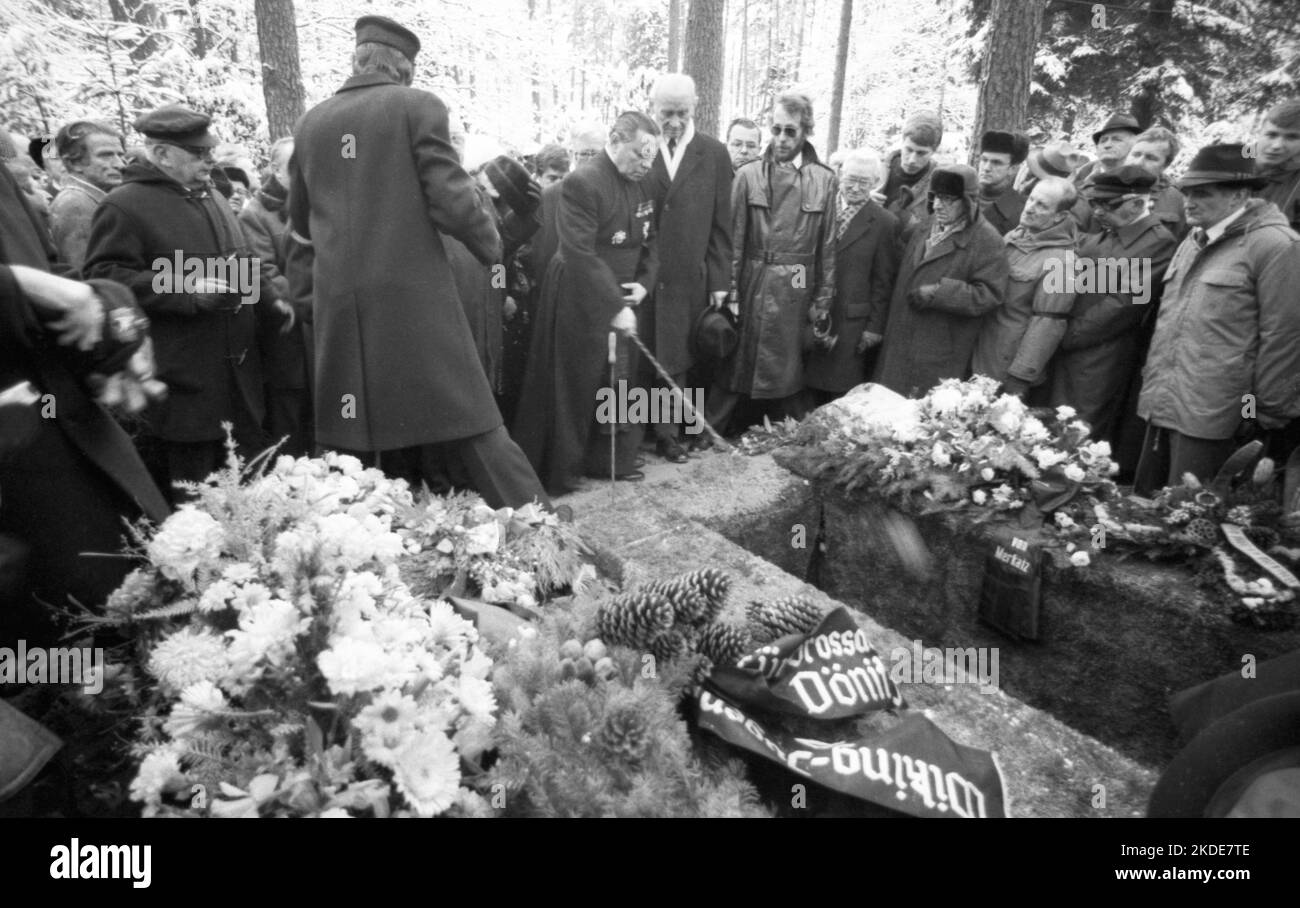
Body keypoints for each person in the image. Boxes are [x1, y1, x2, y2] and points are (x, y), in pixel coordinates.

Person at [291, 16, 548, 511]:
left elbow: (301, 221)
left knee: (351, 438)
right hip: (414, 303)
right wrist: (492, 246)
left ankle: (343, 546)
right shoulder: (417, 106)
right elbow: (452, 203)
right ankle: (543, 531)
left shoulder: (310, 123)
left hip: (343, 309)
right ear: (404, 68)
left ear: (357, 60)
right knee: (474, 419)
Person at [82, 104, 291, 501]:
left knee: (254, 498)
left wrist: (272, 305)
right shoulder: (124, 205)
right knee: (195, 503)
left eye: (209, 150)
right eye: (197, 153)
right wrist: (184, 288)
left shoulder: (210, 193)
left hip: (239, 382)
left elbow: (241, 260)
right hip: (185, 384)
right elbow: (104, 276)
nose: (209, 158)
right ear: (162, 155)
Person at [1, 160, 168, 646]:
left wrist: (112, 317)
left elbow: (58, 277)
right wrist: (19, 287)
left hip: (80, 450)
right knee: (62, 667)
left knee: (142, 639)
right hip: (21, 502)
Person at [1135, 143, 1300, 494]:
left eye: (1203, 193)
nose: (1189, 202)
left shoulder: (1276, 245)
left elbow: (1284, 336)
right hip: (1164, 403)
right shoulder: (1192, 241)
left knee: (1194, 521)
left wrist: (1256, 413)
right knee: (1148, 514)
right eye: (1187, 192)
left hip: (1217, 415)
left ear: (1239, 194)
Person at [513, 111, 659, 493]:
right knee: (577, 382)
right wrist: (615, 304)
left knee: (619, 380)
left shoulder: (643, 183)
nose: (646, 164)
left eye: (651, 157)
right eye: (639, 154)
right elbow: (579, 252)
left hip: (624, 291)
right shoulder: (583, 182)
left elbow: (650, 241)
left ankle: (610, 459)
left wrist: (644, 284)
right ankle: (562, 470)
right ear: (615, 139)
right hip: (580, 292)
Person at [708, 93, 837, 432]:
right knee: (739, 357)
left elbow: (826, 248)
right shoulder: (749, 175)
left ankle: (797, 430)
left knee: (787, 356)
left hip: (796, 274)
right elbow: (733, 240)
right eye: (776, 129)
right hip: (754, 274)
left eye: (790, 131)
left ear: (805, 132)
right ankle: (708, 429)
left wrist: (821, 302)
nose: (781, 139)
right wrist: (732, 290)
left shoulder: (823, 180)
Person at [1051, 166, 1176, 456]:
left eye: (1107, 205)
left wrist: (1066, 334)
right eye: (1094, 203)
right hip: (1070, 345)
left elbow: (1124, 304)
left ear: (1136, 203)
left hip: (1100, 355)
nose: (1097, 212)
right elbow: (1071, 276)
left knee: (1078, 434)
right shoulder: (1108, 233)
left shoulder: (1157, 242)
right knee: (1054, 426)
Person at [643, 73, 733, 461]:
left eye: (682, 112)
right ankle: (651, 433)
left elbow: (722, 224)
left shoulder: (714, 153)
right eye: (666, 113)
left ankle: (677, 432)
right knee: (649, 354)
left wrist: (719, 280)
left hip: (689, 276)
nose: (674, 122)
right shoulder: (642, 147)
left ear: (695, 107)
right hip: (645, 276)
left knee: (683, 355)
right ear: (653, 109)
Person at [873, 163, 1009, 398]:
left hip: (938, 351)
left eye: (948, 199)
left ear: (969, 201)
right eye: (935, 197)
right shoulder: (926, 225)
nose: (937, 205)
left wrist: (939, 292)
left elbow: (989, 294)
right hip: (898, 342)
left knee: (920, 422)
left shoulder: (988, 240)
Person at [804, 150, 899, 406]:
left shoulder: (884, 223)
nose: (856, 188)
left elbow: (883, 281)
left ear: (875, 183)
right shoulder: (815, 210)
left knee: (838, 391)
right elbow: (798, 263)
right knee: (800, 385)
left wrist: (874, 328)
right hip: (808, 313)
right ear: (839, 175)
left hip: (850, 323)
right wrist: (797, 295)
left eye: (864, 182)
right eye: (851, 179)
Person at [971, 176, 1078, 398]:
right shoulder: (1014, 236)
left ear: (1061, 215)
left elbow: (1048, 325)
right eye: (1031, 199)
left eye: (1042, 205)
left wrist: (1020, 377)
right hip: (978, 353)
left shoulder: (1063, 262)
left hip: (1004, 368)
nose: (1030, 208)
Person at [239, 136, 312, 457]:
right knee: (290, 419)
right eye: (294, 166)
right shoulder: (255, 215)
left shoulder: (319, 205)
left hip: (319, 333)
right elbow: (262, 273)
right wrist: (313, 300)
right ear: (275, 169)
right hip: (289, 336)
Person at [48, 121, 125, 269]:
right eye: (106, 155)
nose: (120, 164)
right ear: (74, 163)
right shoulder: (76, 206)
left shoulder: (90, 200)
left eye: (120, 155)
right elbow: (87, 272)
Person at [1070, 112, 1142, 230]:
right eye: (1103, 140)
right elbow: (1067, 236)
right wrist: (1069, 250)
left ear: (1134, 146)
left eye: (1116, 139)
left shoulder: (1148, 185)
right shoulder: (1079, 181)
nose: (1107, 145)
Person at [881, 110, 943, 237]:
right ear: (902, 141)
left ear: (934, 151)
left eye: (921, 153)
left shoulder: (939, 184)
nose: (912, 160)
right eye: (909, 150)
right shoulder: (875, 169)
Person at [1124, 126, 1186, 239]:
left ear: (1165, 165)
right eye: (1136, 154)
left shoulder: (1179, 201)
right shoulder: (1099, 189)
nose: (1138, 163)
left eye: (1151, 158)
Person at [1253, 98, 1300, 232]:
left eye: (1291, 137)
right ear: (1260, 133)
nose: (1277, 145)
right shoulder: (1229, 165)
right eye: (1272, 135)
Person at [976, 130, 1030, 236]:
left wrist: (1069, 253)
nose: (986, 168)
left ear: (1013, 169)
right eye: (984, 160)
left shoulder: (1024, 210)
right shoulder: (959, 198)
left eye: (996, 163)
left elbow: (1068, 248)